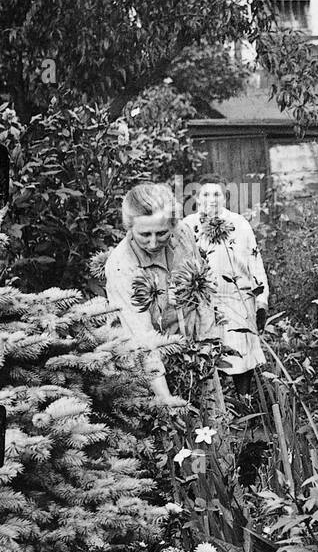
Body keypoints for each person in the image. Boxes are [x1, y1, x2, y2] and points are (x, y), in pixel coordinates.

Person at [104, 182, 202, 409]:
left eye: (162, 233)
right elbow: (141, 338)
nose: (153, 242)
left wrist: (207, 347)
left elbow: (200, 291)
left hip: (192, 344)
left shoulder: (184, 234)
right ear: (129, 228)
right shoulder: (121, 266)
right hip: (150, 361)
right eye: (144, 234)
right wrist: (166, 399)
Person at [180, 175, 269, 394]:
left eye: (216, 194)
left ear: (225, 197)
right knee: (206, 354)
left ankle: (245, 404)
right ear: (197, 198)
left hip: (236, 297)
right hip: (203, 300)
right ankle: (214, 411)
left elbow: (254, 261)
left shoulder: (239, 224)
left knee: (241, 354)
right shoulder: (188, 226)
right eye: (206, 194)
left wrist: (261, 300)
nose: (212, 200)